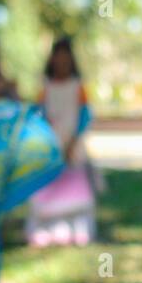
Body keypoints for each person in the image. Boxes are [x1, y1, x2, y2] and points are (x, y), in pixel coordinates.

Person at [24, 36, 95, 248]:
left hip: (73, 148)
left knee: (74, 189)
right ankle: (47, 229)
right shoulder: (45, 88)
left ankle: (77, 228)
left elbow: (84, 116)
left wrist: (73, 142)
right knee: (48, 190)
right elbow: (39, 114)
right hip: (50, 147)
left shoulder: (78, 87)